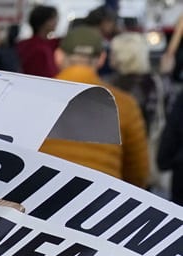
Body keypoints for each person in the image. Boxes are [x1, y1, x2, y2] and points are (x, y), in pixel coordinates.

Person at [40, 24, 150, 187]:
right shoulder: (124, 104)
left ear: (58, 56)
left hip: (40, 199)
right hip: (101, 204)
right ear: (101, 59)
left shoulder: (32, 95)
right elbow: (139, 174)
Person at [108, 31, 163, 131]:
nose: (109, 56)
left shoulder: (118, 85)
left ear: (124, 56)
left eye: (114, 52)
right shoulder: (154, 81)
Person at [15, 5, 60, 78]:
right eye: (52, 19)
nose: (56, 22)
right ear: (43, 22)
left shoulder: (48, 43)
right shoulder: (36, 47)